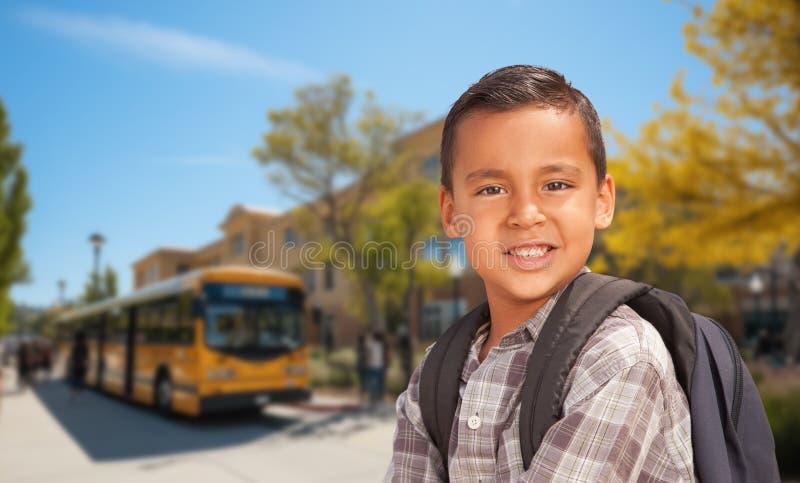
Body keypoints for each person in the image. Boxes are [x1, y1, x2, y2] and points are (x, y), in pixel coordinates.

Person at [385, 65, 693, 481]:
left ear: (602, 201)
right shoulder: (437, 372)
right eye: (492, 189)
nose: (525, 215)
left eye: (556, 185)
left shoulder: (619, 356)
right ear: (452, 213)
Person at [68, 331, 88, 402]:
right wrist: (85, 365)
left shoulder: (75, 346)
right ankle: (77, 395)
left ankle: (73, 395)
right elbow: (85, 357)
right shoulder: (85, 346)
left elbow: (72, 357)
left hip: (75, 365)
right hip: (81, 365)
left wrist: (72, 364)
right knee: (80, 379)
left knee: (75, 379)